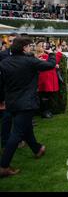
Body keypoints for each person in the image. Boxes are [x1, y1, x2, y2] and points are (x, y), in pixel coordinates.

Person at [0, 36, 56, 177]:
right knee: (17, 133)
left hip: (12, 103)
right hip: (26, 103)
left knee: (26, 129)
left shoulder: (4, 63)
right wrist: (52, 53)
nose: (31, 48)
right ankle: (3, 166)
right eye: (29, 46)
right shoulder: (30, 61)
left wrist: (2, 100)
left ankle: (37, 149)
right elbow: (50, 66)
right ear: (24, 48)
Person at [35, 41, 63, 119]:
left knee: (47, 95)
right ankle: (45, 112)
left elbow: (52, 63)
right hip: (45, 78)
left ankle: (46, 111)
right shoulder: (41, 56)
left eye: (45, 46)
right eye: (43, 46)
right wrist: (58, 53)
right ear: (39, 47)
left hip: (48, 77)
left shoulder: (44, 55)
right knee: (45, 95)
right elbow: (53, 62)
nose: (45, 47)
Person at [0, 33, 18, 151]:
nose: (12, 43)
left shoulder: (25, 55)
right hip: (6, 91)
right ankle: (5, 142)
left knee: (21, 118)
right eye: (10, 41)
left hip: (20, 91)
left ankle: (22, 140)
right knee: (7, 117)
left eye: (14, 41)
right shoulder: (2, 55)